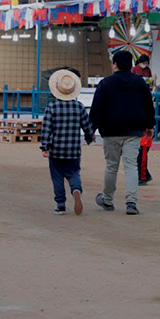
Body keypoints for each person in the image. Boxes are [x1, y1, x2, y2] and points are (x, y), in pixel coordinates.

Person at [89, 50, 155, 215]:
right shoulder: (139, 82)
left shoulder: (105, 83)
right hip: (133, 131)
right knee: (131, 166)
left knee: (111, 166)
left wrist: (91, 128)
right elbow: (148, 105)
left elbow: (97, 108)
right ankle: (131, 202)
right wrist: (149, 125)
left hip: (110, 130)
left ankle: (107, 200)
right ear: (131, 65)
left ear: (115, 65)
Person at [39, 70, 95, 215]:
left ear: (57, 89)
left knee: (57, 177)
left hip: (56, 150)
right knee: (74, 173)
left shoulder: (52, 107)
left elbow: (46, 129)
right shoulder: (79, 107)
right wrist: (89, 138)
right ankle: (76, 190)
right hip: (73, 150)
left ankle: (60, 205)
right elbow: (87, 126)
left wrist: (45, 146)